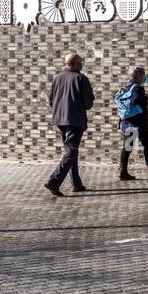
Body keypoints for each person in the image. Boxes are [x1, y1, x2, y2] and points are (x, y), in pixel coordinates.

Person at [45, 52, 95, 197]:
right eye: (80, 63)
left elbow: (51, 100)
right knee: (71, 151)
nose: (82, 65)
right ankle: (54, 180)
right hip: (75, 120)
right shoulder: (81, 78)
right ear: (75, 64)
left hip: (59, 119)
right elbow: (87, 104)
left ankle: (76, 183)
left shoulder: (57, 78)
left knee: (71, 151)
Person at [114, 66, 148, 181]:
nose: (144, 77)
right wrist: (144, 98)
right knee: (144, 145)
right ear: (138, 76)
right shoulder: (137, 88)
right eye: (143, 75)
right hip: (138, 123)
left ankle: (126, 171)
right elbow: (135, 101)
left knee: (132, 146)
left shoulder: (126, 88)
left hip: (128, 123)